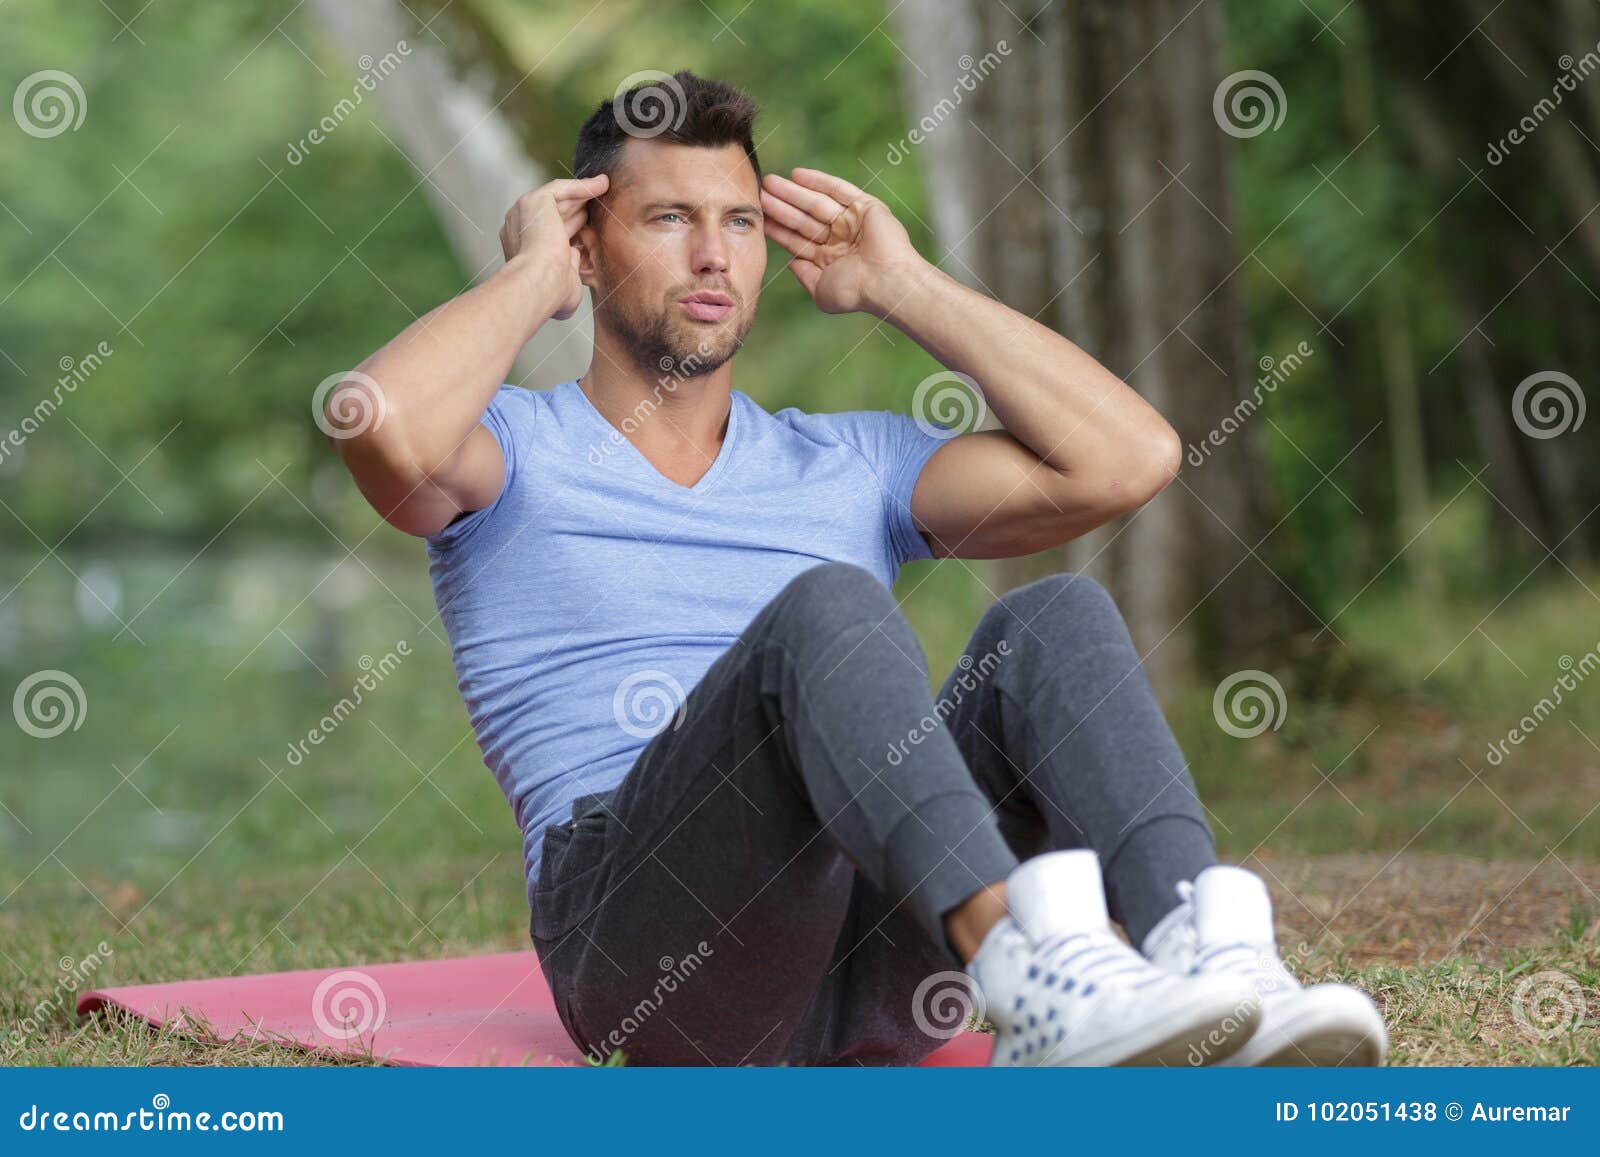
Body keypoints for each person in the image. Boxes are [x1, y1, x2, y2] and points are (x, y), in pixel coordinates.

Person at [325, 70, 1387, 1067]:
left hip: (869, 959)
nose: (714, 254)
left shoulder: (846, 461)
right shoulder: (512, 448)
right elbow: (380, 424)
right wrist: (526, 277)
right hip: (642, 962)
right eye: (667, 219)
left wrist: (904, 284)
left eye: (738, 221)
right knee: (825, 607)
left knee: (1053, 617)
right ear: (588, 251)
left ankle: (1207, 954)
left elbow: (1130, 459)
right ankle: (1025, 964)